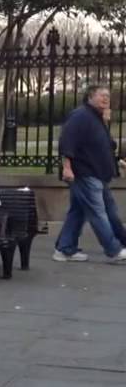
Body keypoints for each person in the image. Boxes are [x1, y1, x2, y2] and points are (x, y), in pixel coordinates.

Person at [54, 83, 126, 263]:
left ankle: (65, 249)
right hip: (85, 173)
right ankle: (114, 250)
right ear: (90, 97)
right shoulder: (80, 116)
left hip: (98, 174)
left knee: (79, 211)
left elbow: (109, 145)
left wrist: (105, 122)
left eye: (108, 96)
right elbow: (66, 142)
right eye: (102, 95)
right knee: (98, 213)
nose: (106, 99)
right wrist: (67, 167)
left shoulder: (96, 118)